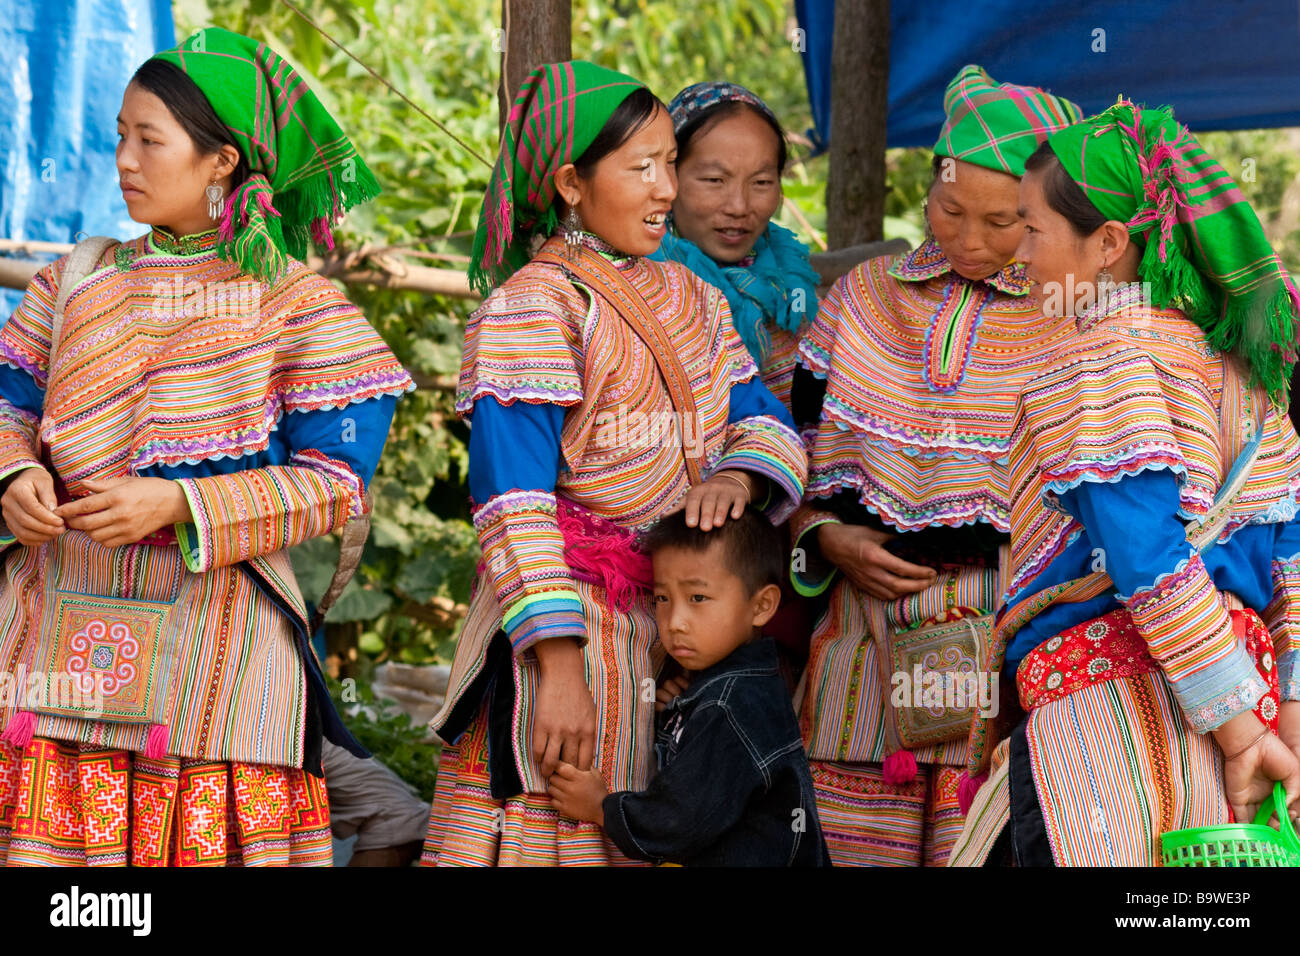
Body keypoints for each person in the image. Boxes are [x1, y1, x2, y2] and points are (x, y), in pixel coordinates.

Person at [0, 27, 414, 866]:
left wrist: (181, 502)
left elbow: (336, 481)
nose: (124, 158)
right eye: (120, 134)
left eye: (149, 140)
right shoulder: (75, 280)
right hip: (57, 616)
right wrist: (13, 472)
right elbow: (10, 401)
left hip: (219, 643)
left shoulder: (295, 305)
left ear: (223, 161)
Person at [419, 61, 807, 867]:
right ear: (569, 180)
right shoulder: (532, 308)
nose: (665, 188)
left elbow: (762, 421)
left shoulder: (691, 297)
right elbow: (511, 503)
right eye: (642, 167)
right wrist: (557, 666)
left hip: (657, 627)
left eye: (670, 162)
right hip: (563, 622)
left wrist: (739, 476)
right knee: (540, 823)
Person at [951, 100, 1300, 867]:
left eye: (1033, 231)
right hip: (1230, 732)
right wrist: (1280, 721)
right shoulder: (1240, 376)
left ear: (1108, 243)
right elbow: (1290, 570)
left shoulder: (1101, 359)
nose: (1021, 258)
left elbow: (1148, 562)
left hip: (1104, 732)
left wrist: (1243, 734)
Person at [787, 65, 1081, 866]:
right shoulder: (862, 298)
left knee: (976, 839)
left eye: (1004, 222)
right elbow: (788, 447)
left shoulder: (1074, 320)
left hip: (999, 639)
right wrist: (824, 537)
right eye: (951, 210)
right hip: (859, 631)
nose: (973, 240)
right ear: (928, 190)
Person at [547, 507, 830, 866]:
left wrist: (601, 808)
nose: (676, 621)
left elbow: (679, 820)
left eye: (697, 598)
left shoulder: (730, 705)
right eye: (663, 598)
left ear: (761, 605)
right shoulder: (729, 690)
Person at [650, 82, 820, 411]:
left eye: (761, 183)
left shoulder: (788, 287)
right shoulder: (641, 287)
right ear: (668, 176)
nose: (739, 206)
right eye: (715, 181)